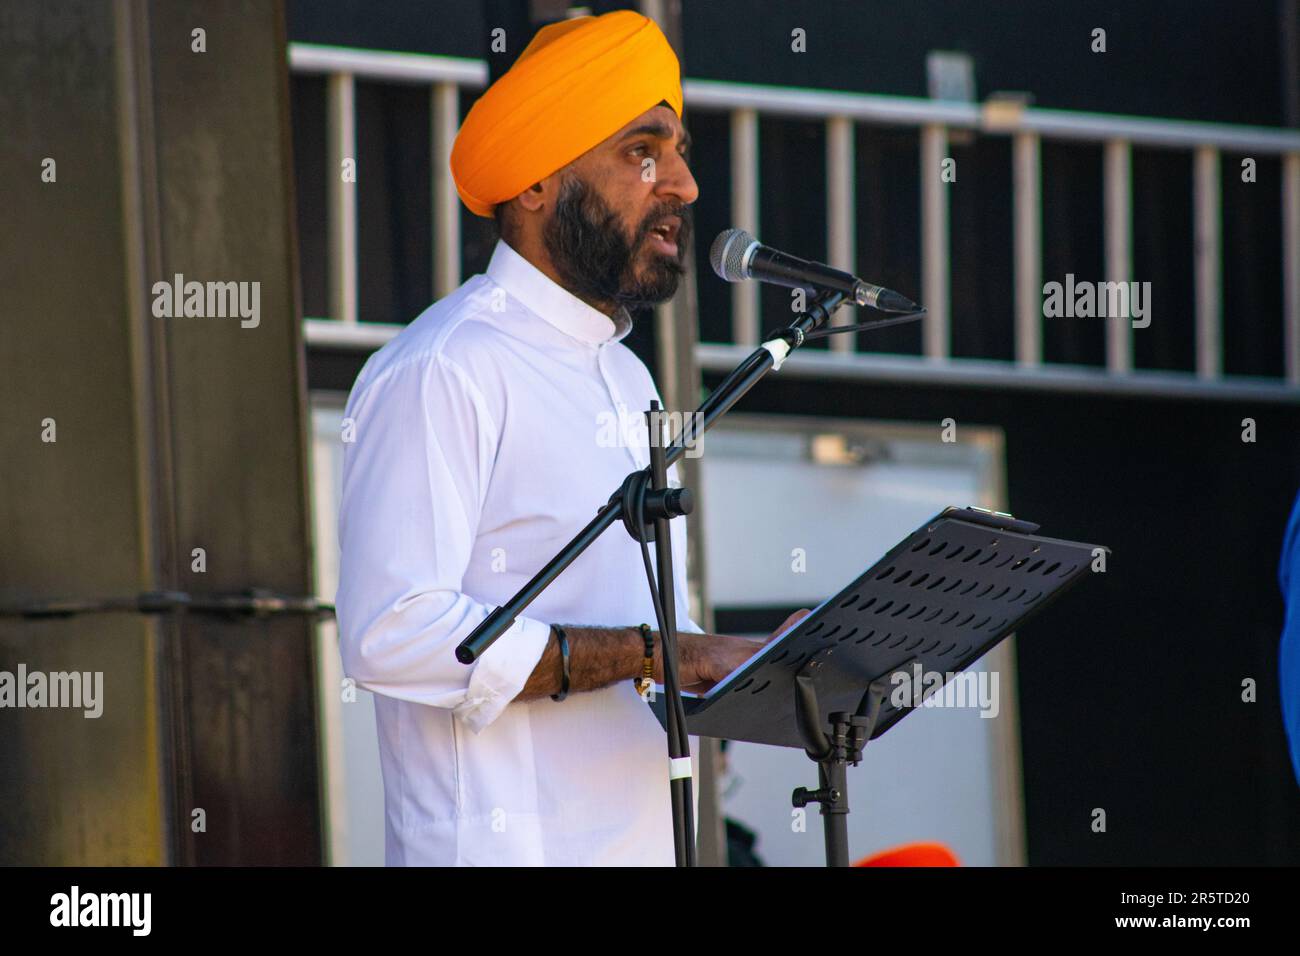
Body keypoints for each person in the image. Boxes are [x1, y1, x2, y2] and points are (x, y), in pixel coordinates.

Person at [336, 9, 807, 866]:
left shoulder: (625, 377)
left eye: (680, 151)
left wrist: (763, 665)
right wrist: (655, 651)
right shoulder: (445, 368)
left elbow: (648, 637)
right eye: (643, 152)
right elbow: (390, 633)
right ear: (535, 184)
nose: (685, 186)